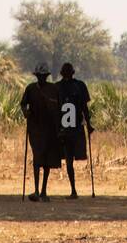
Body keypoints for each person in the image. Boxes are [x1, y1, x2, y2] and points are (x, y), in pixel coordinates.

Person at [20, 63, 62, 201]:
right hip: (35, 130)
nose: (41, 78)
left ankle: (43, 190)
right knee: (37, 158)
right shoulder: (31, 88)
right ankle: (37, 190)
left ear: (47, 76)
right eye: (39, 76)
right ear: (36, 76)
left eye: (43, 76)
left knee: (47, 161)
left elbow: (60, 108)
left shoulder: (53, 89)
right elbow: (23, 103)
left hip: (50, 130)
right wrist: (26, 112)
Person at [55, 62, 93, 198]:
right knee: (70, 160)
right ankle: (73, 190)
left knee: (69, 160)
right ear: (73, 73)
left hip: (64, 130)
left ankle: (73, 190)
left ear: (61, 73)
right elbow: (85, 108)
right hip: (75, 129)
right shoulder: (80, 86)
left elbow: (54, 110)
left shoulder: (57, 87)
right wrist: (88, 125)